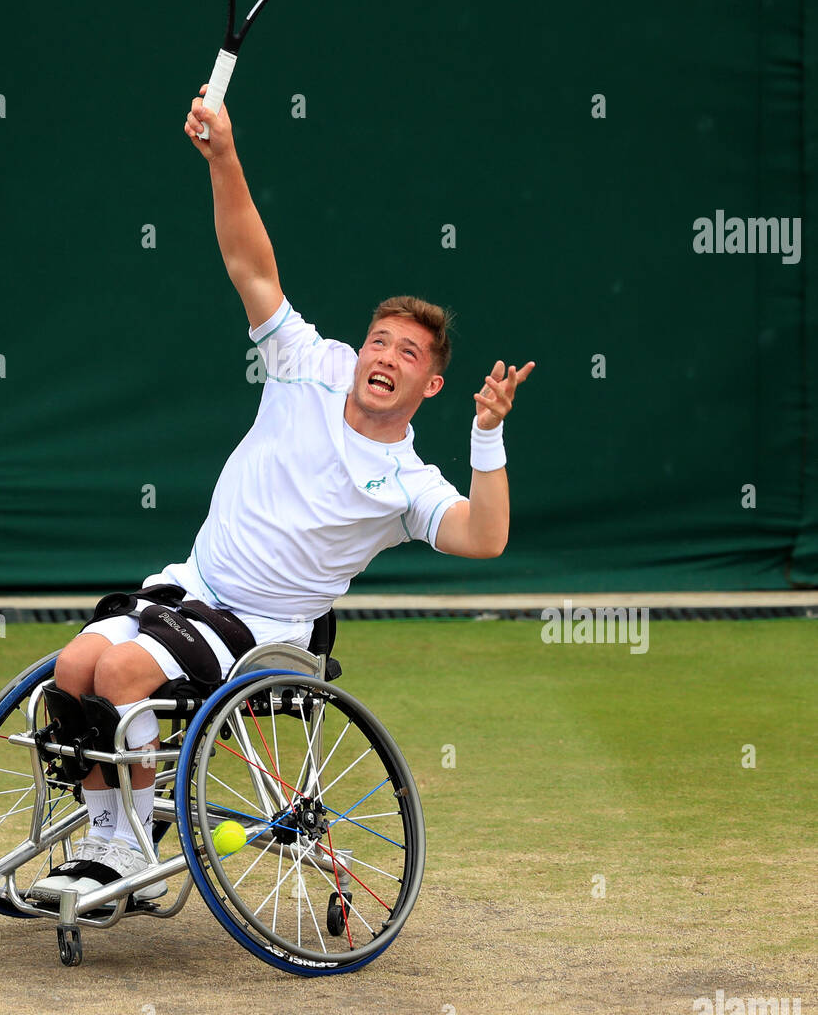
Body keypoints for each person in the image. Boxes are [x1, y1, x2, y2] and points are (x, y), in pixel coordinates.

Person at [34, 88, 534, 902]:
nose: (384, 355)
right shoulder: (309, 361)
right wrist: (224, 154)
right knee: (76, 664)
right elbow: (250, 264)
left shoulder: (408, 482)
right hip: (189, 586)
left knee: (122, 672)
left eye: (406, 353)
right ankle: (118, 829)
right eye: (379, 339)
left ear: (430, 383)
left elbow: (486, 537)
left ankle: (121, 853)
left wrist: (488, 437)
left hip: (262, 631)